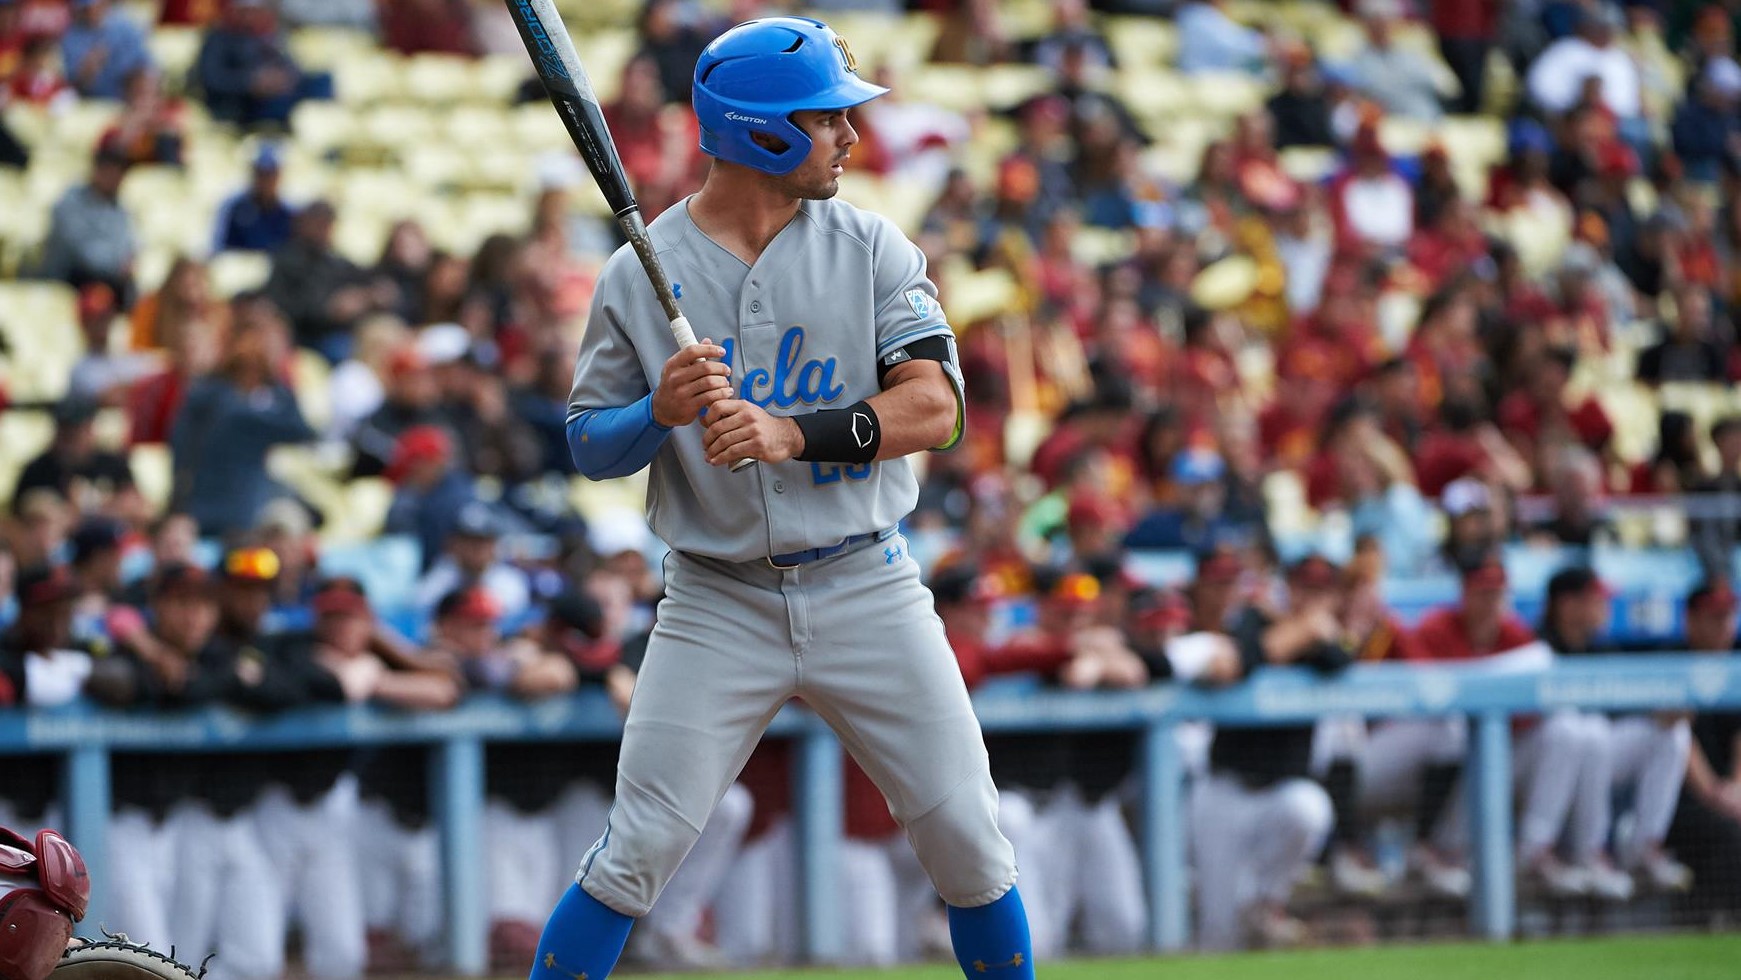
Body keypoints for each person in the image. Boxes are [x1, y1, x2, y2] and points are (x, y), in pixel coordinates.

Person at [531, 18, 1034, 980]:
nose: (850, 134)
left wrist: (789, 432)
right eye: (828, 116)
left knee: (968, 840)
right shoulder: (640, 270)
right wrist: (656, 409)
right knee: (632, 854)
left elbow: (936, 408)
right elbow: (589, 444)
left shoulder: (872, 245)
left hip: (866, 582)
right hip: (717, 597)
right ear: (761, 132)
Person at [1190, 555, 1343, 950]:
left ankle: (1265, 902)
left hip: (1281, 792)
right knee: (1217, 933)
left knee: (1309, 808)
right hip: (1225, 789)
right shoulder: (1252, 620)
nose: (1311, 598)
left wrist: (1313, 631)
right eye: (1304, 587)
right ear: (1288, 586)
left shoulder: (1324, 636)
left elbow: (1339, 661)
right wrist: (1298, 631)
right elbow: (1240, 660)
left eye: (1320, 591)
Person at [168, 292, 316, 538]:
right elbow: (181, 451)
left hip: (250, 505)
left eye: (266, 337)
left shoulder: (274, 395)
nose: (256, 345)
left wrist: (275, 380)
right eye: (249, 335)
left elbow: (303, 430)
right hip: (210, 508)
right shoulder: (209, 396)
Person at [33, 134, 137, 304]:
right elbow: (84, 253)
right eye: (108, 166)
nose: (114, 174)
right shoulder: (69, 201)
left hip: (107, 283)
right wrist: (118, 264)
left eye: (120, 169)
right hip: (68, 282)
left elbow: (130, 245)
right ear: (96, 167)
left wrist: (124, 263)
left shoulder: (119, 208)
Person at [413, 500, 530, 619]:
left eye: (483, 542)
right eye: (469, 541)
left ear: (494, 545)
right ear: (453, 544)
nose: (477, 550)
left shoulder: (510, 584)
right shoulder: (436, 582)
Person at [59, 0, 153, 100]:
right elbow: (73, 84)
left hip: (124, 100)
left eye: (93, 6)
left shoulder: (124, 26)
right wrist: (90, 65)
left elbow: (145, 68)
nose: (90, 11)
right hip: (89, 103)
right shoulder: (71, 35)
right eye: (85, 9)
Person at [213, 143, 296, 254]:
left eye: (271, 174)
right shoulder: (234, 207)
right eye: (261, 173)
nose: (266, 180)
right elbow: (220, 247)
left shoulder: (289, 212)